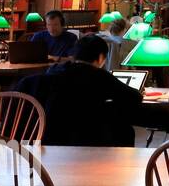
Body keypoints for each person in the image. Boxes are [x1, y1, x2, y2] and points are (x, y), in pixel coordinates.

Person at [16, 35, 153, 146]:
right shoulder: (99, 76)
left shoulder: (54, 71)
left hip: (44, 136)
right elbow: (134, 97)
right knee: (124, 130)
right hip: (83, 138)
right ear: (100, 57)